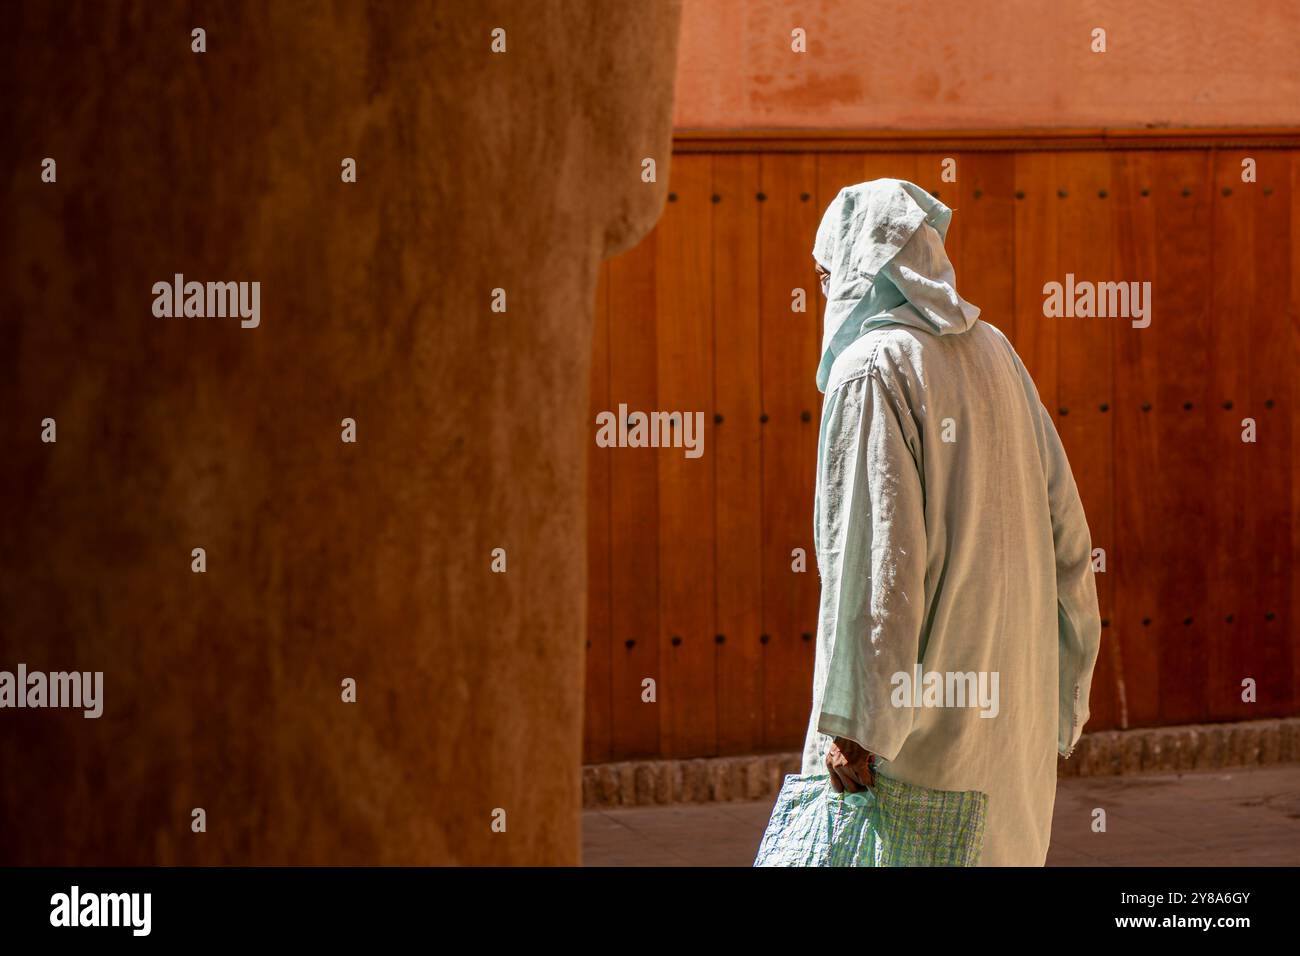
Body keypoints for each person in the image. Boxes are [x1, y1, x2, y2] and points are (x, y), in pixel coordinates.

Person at [803, 179, 1102, 866]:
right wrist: (1066, 694)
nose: (824, 293)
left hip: (914, 756)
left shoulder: (871, 368)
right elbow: (1071, 544)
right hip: (1006, 746)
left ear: (861, 269)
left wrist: (858, 722)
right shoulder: (999, 355)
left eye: (827, 274)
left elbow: (882, 562)